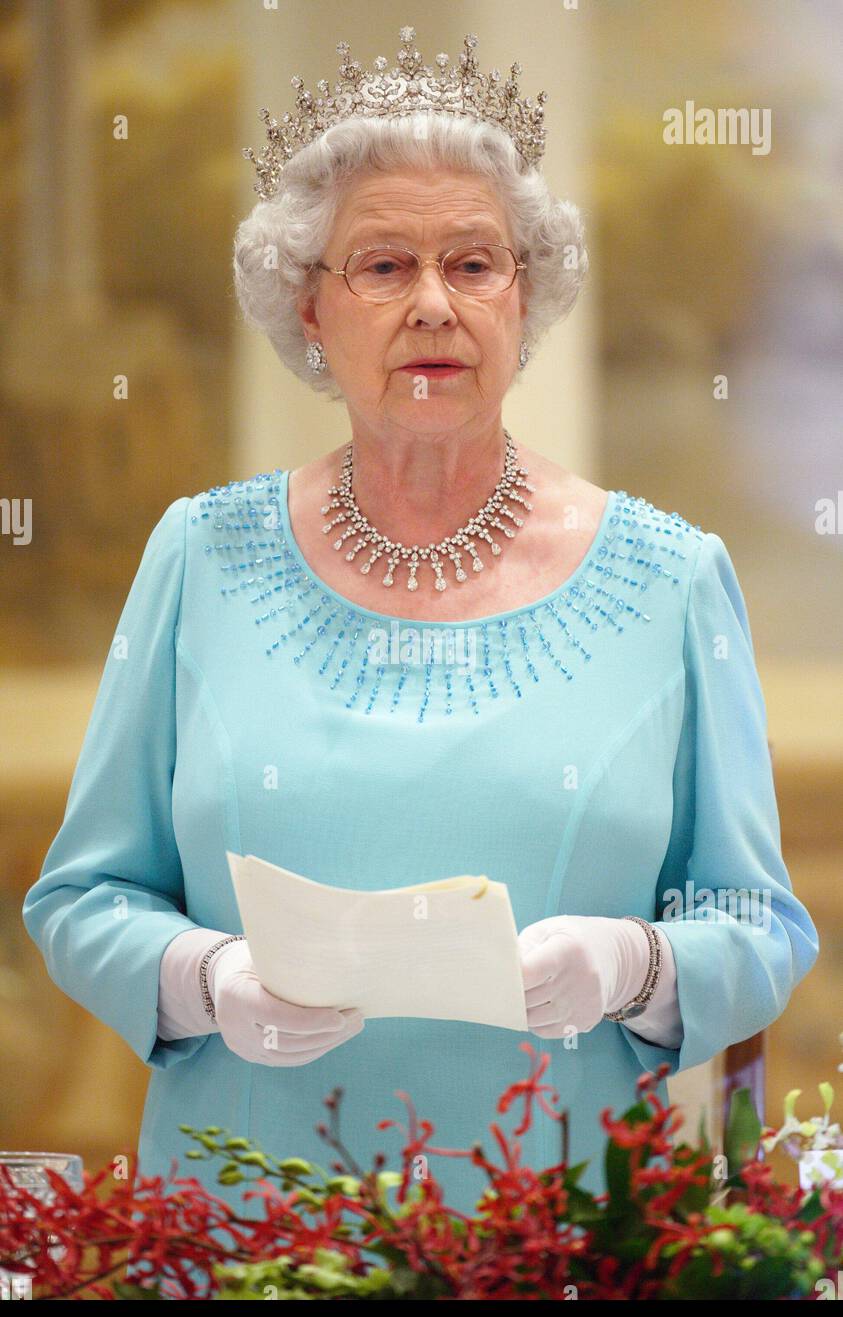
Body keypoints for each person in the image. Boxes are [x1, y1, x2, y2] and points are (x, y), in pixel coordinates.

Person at [23, 27, 818, 1230]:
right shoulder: (197, 554)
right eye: (384, 265)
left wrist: (636, 965)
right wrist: (203, 977)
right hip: (245, 1239)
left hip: (559, 1241)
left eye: (475, 263)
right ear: (308, 306)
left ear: (527, 294)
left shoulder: (674, 577)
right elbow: (80, 898)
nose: (434, 303)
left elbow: (763, 925)